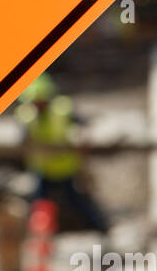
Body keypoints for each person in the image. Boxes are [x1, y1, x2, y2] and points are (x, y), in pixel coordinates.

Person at [15, 73, 108, 233]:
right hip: (42, 168)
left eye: (41, 102)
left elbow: (83, 125)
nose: (38, 106)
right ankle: (37, 237)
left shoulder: (62, 109)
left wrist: (82, 135)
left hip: (65, 167)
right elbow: (23, 138)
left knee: (78, 201)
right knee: (39, 205)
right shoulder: (26, 115)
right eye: (35, 103)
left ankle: (100, 228)